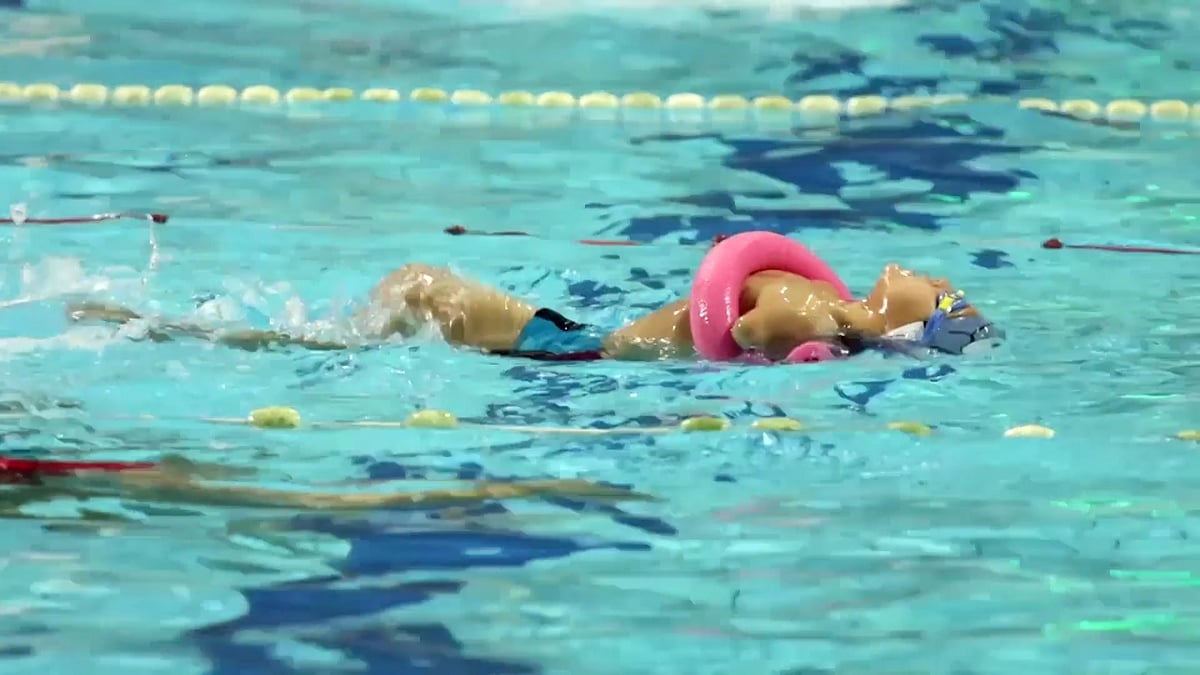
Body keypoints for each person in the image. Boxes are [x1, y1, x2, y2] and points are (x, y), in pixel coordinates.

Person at [68, 256, 1000, 362]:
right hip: (580, 345)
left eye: (926, 282)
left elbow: (757, 328)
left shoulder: (815, 299)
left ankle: (178, 330)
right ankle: (186, 327)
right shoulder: (824, 300)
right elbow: (752, 327)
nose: (905, 264)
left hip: (572, 357)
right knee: (413, 285)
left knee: (416, 286)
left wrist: (835, 332)